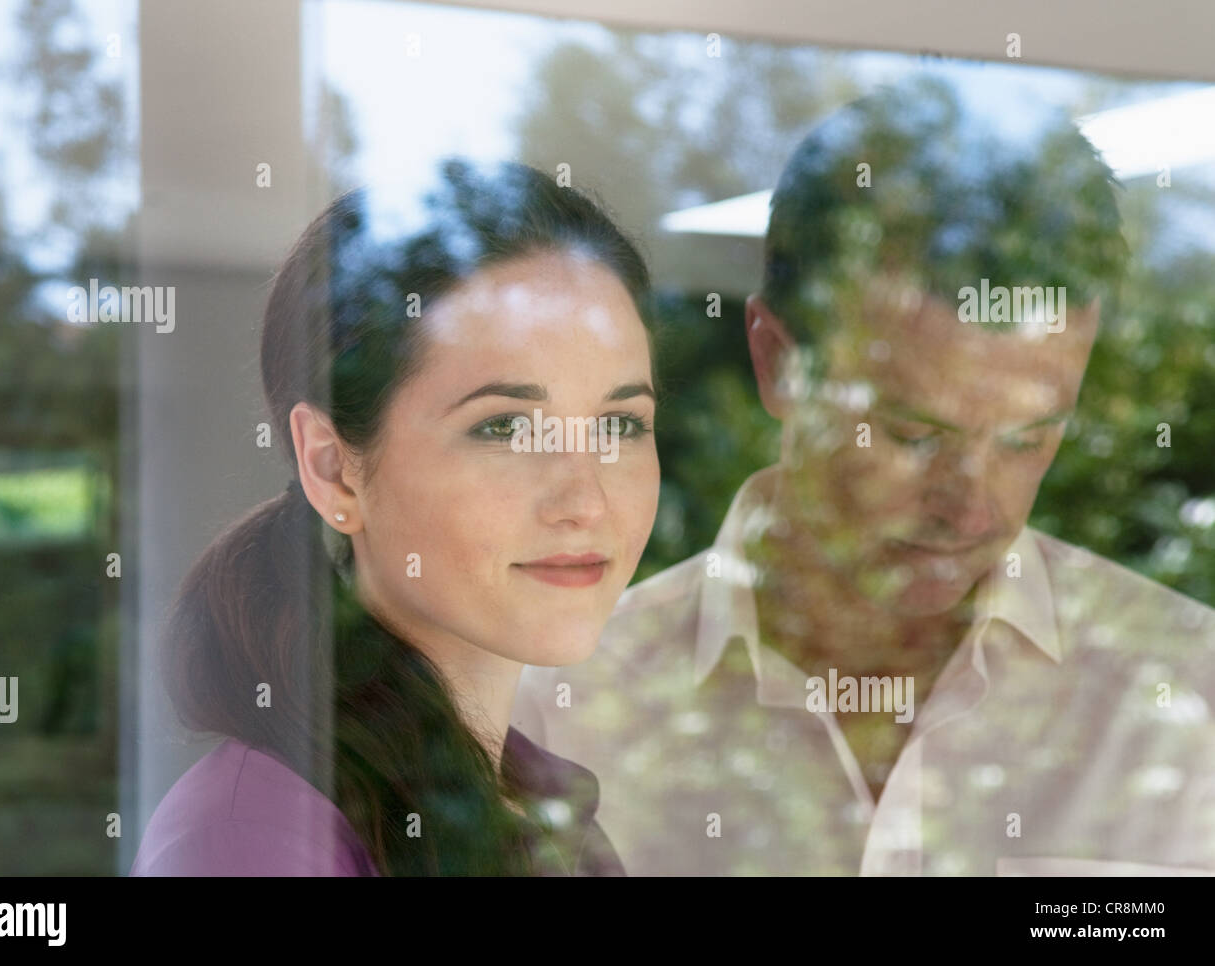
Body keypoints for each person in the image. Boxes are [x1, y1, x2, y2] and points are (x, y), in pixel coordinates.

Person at [512, 77, 1215, 875]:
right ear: (777, 363)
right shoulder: (556, 717)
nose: (973, 509)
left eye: (1029, 438)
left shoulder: (1192, 700)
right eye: (914, 435)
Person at [131, 159, 661, 876]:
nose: (587, 501)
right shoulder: (254, 840)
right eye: (505, 427)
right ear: (330, 466)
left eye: (620, 425)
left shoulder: (551, 820)